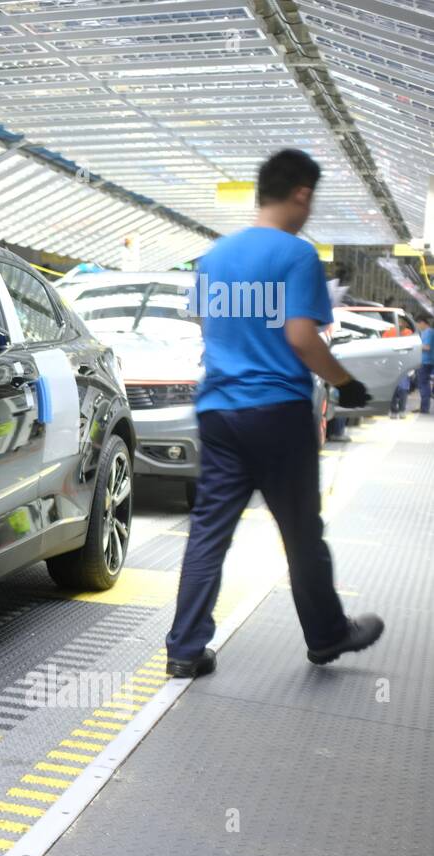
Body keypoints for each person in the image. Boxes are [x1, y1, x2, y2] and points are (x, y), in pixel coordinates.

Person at [166, 149, 384, 678]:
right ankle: (327, 635)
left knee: (209, 533)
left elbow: (205, 324)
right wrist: (346, 383)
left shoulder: (214, 257)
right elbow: (302, 337)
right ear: (301, 193)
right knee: (301, 532)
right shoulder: (296, 256)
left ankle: (185, 648)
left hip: (218, 411)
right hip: (277, 412)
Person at [418, 315, 433, 414]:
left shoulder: (428, 332)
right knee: (424, 384)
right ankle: (424, 406)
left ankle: (424, 407)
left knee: (423, 384)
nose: (419, 327)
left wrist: (415, 345)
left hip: (426, 361)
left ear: (423, 323)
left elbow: (427, 347)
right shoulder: (428, 332)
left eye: (419, 324)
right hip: (428, 361)